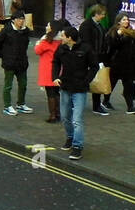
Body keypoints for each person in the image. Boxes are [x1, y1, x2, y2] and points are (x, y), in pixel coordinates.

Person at [53, 25, 96, 160]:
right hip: (65, 86)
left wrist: (86, 80)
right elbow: (55, 62)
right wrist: (55, 77)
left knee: (77, 119)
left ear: (70, 38)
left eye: (63, 35)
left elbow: (94, 66)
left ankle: (77, 146)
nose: (61, 38)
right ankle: (70, 138)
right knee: (65, 117)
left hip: (80, 89)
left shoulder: (86, 48)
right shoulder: (62, 48)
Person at [0, 11, 33, 115]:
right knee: (8, 85)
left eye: (23, 19)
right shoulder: (7, 30)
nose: (21, 21)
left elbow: (26, 44)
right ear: (13, 20)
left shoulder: (26, 31)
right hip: (10, 62)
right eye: (19, 19)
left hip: (22, 62)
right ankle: (7, 106)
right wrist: (2, 54)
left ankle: (21, 104)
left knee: (23, 84)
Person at [34, 20, 65, 124]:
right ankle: (58, 113)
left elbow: (37, 51)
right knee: (56, 93)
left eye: (48, 25)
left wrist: (39, 42)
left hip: (48, 70)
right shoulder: (61, 41)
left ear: (52, 28)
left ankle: (52, 115)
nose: (46, 27)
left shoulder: (47, 40)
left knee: (50, 94)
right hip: (58, 70)